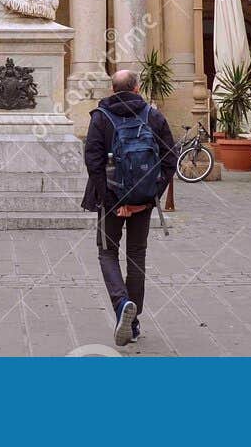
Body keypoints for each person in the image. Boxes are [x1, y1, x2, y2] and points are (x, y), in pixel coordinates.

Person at [82, 70, 176, 347]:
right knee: (136, 255)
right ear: (137, 88)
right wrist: (148, 199)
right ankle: (133, 323)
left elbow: (93, 162)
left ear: (113, 89)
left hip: (110, 199)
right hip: (143, 198)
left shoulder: (101, 117)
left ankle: (122, 303)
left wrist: (112, 202)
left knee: (107, 252)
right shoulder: (152, 115)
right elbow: (170, 160)